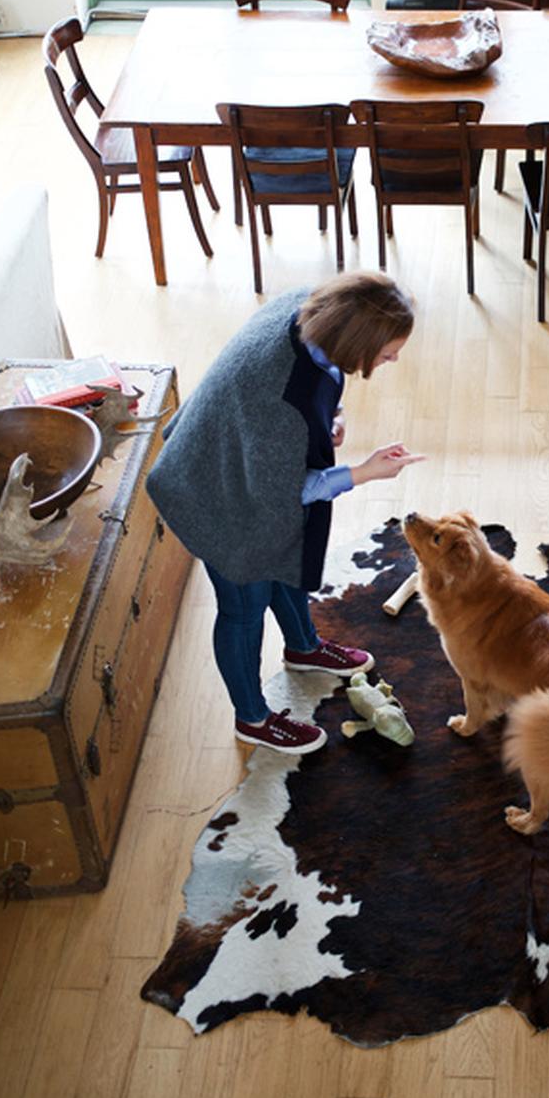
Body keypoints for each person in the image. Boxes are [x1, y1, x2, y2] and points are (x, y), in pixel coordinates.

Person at [147, 271, 423, 754]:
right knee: (243, 607)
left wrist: (330, 420)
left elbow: (317, 392)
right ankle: (251, 718)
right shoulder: (278, 400)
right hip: (216, 496)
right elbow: (289, 490)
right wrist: (364, 472)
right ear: (355, 339)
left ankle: (303, 647)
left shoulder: (312, 310)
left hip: (242, 456)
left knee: (286, 564)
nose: (393, 359)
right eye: (386, 352)